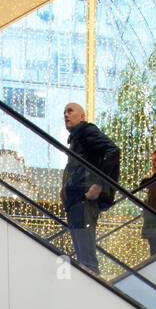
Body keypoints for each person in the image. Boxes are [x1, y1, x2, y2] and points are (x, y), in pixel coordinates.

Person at [61, 102, 120, 275]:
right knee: (83, 259)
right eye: (64, 112)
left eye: (70, 111)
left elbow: (113, 151)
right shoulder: (76, 139)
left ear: (82, 116)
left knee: (87, 262)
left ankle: (90, 289)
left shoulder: (86, 131)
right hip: (76, 201)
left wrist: (99, 185)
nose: (66, 115)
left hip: (83, 199)